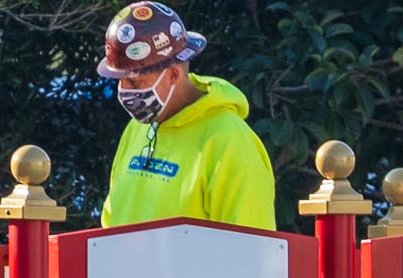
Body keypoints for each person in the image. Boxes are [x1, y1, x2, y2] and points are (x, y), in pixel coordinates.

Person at [97, 4, 276, 231]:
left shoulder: (231, 143)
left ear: (173, 74)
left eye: (134, 81)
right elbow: (111, 222)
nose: (124, 90)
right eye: (120, 80)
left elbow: (251, 245)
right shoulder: (136, 129)